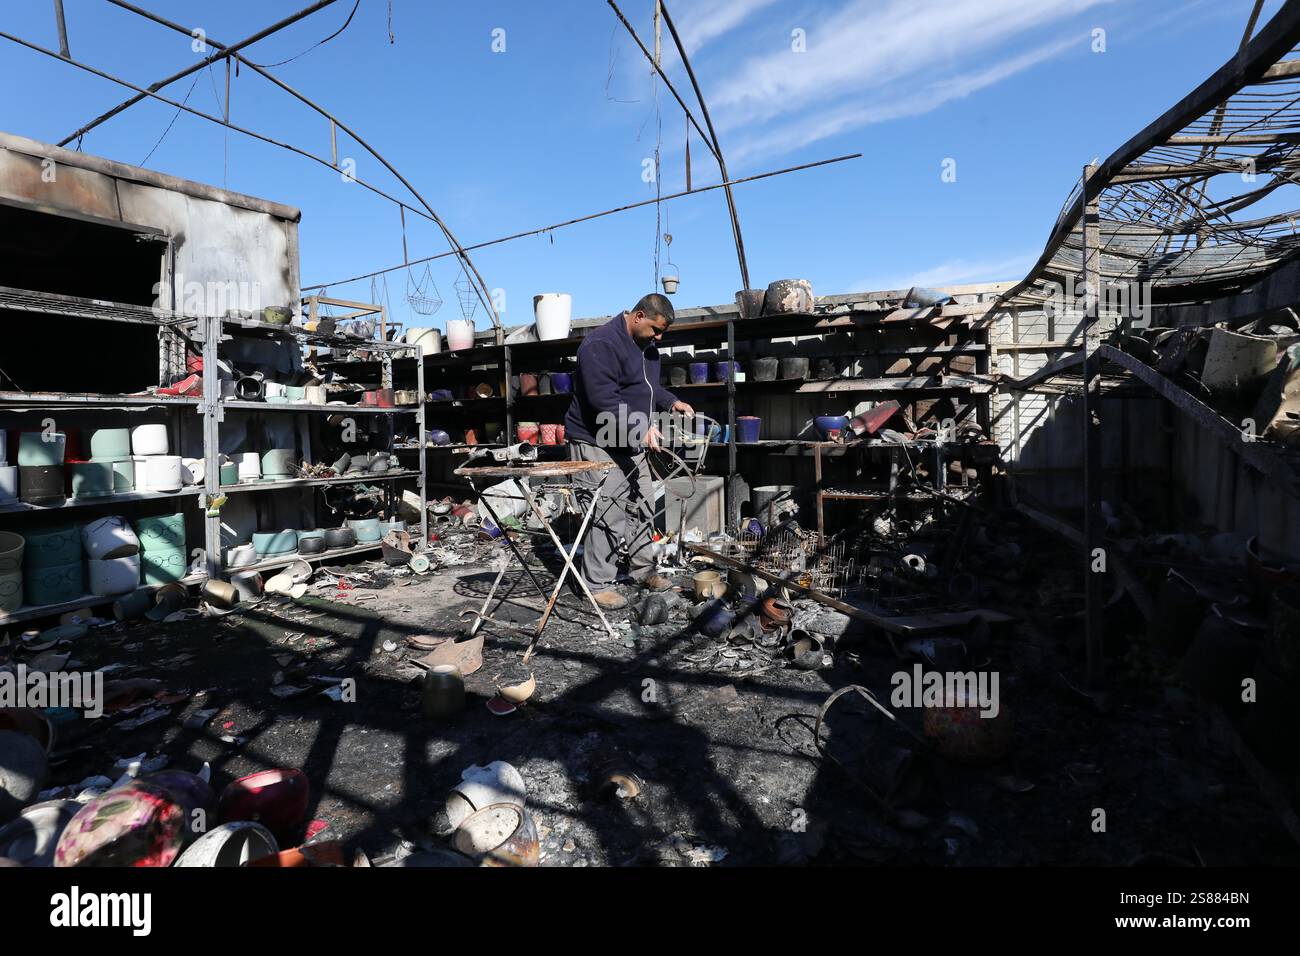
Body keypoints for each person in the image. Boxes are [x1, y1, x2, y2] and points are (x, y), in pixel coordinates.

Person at [563, 293, 694, 610]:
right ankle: (596, 583)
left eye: (662, 332)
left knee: (644, 502)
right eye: (656, 329)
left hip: (628, 438)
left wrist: (670, 401)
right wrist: (642, 429)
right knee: (608, 511)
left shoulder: (646, 347)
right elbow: (603, 401)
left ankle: (642, 568)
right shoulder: (600, 345)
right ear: (637, 316)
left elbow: (646, 388)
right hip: (596, 439)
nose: (659, 337)